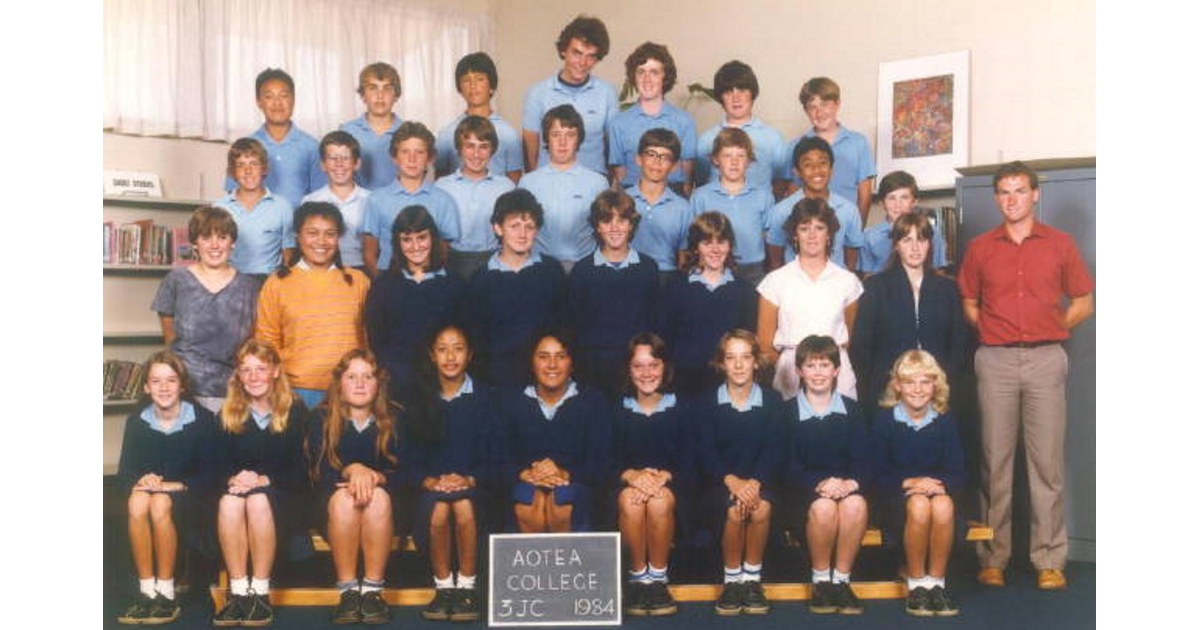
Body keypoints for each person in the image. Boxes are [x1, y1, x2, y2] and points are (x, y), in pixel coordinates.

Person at [958, 161, 1094, 591]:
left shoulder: (1060, 244)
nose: (1012, 199)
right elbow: (969, 302)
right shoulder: (981, 247)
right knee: (994, 463)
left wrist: (1050, 327)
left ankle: (1049, 559)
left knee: (1046, 465)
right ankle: (992, 557)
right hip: (995, 360)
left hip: (1045, 359)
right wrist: (995, 334)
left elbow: (1085, 300)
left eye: (1020, 190)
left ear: (1036, 194)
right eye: (1004, 192)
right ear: (996, 197)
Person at [116, 351, 218, 625]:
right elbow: (124, 473)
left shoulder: (203, 419)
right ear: (147, 387)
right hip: (151, 498)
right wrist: (142, 480)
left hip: (193, 500)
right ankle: (147, 590)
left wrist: (177, 485)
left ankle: (166, 591)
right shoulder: (137, 422)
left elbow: (213, 476)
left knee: (160, 502)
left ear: (182, 385)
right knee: (137, 501)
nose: (164, 388)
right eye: (156, 381)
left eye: (171, 381)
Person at [211, 339, 308, 627]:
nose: (253, 377)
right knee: (229, 501)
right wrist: (234, 477)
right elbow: (213, 467)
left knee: (257, 499)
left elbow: (303, 472)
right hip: (239, 494)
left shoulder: (296, 411)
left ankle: (261, 592)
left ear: (275, 371)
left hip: (283, 497)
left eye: (261, 369)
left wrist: (264, 479)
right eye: (246, 370)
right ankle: (239, 593)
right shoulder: (227, 414)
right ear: (238, 376)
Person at [403, 325, 493, 622]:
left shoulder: (487, 398)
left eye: (458, 348)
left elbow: (496, 455)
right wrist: (429, 481)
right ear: (432, 355)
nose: (450, 356)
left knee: (465, 505)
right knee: (440, 508)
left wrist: (468, 479)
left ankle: (467, 586)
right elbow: (406, 458)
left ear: (470, 354)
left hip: (475, 486)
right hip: (432, 489)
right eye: (442, 349)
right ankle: (443, 587)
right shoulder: (417, 400)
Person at [307, 349, 402, 625]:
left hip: (385, 509)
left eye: (367, 376)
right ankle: (348, 590)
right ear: (339, 384)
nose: (360, 384)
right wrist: (351, 469)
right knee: (345, 499)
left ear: (378, 383)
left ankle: (373, 590)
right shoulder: (320, 419)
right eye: (352, 377)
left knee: (378, 498)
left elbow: (409, 474)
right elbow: (317, 474)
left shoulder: (395, 418)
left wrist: (377, 476)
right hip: (333, 508)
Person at [695, 330, 786, 616]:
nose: (738, 365)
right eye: (730, 358)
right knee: (735, 511)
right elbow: (705, 451)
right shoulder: (706, 402)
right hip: (719, 484)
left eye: (745, 357)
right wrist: (733, 482)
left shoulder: (773, 401)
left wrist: (755, 483)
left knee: (760, 509)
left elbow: (776, 449)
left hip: (763, 481)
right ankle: (732, 581)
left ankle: (752, 580)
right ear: (721, 363)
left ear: (756, 362)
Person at [780, 335, 871, 616]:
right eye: (810, 365)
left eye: (824, 364)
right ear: (798, 371)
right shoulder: (786, 413)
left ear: (836, 370)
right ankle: (821, 581)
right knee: (823, 507)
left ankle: (841, 581)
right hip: (803, 495)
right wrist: (819, 484)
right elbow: (784, 466)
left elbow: (866, 461)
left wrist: (848, 484)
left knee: (857, 504)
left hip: (844, 492)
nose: (818, 372)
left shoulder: (852, 411)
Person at [850, 211, 968, 421]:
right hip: (888, 387)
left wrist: (944, 380)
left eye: (921, 240)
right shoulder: (876, 287)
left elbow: (959, 343)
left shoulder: (948, 289)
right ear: (896, 245)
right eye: (907, 240)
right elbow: (862, 347)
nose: (915, 248)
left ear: (930, 244)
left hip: (936, 387)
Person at [873, 350, 965, 617]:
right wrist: (909, 482)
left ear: (936, 385)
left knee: (944, 505)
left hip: (935, 494)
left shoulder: (945, 420)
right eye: (910, 382)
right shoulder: (885, 420)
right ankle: (916, 584)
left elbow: (959, 473)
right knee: (919, 505)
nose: (918, 389)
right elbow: (875, 475)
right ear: (897, 386)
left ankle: (936, 583)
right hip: (895, 498)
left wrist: (935, 484)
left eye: (925, 381)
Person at [256, 202, 370, 409]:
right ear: (298, 237)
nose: (321, 241)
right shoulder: (277, 283)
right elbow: (267, 343)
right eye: (312, 233)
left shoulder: (358, 281)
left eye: (330, 234)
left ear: (339, 238)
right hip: (296, 392)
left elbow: (368, 339)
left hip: (350, 390)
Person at [500, 330, 613, 533]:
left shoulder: (593, 402)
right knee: (528, 501)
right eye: (543, 357)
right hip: (526, 484)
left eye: (561, 356)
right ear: (532, 362)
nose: (552, 365)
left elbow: (601, 464)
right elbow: (498, 460)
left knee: (561, 502)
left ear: (572, 362)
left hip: (576, 486)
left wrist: (564, 473)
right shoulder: (511, 403)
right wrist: (527, 474)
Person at [152, 206, 259, 414]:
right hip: (183, 392)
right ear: (194, 242)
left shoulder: (250, 287)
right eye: (206, 237)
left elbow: (251, 344)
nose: (215, 245)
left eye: (222, 237)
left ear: (232, 242)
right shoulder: (176, 280)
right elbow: (170, 341)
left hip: (234, 393)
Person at [758, 198, 863, 400]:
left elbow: (850, 338)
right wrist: (792, 367)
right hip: (790, 372)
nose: (812, 235)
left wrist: (825, 365)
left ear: (829, 234)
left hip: (836, 373)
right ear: (795, 235)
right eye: (804, 228)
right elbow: (764, 344)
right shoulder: (775, 281)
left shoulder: (848, 282)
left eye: (820, 227)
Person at [614, 333, 684, 616]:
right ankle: (637, 578)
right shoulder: (616, 408)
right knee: (632, 500)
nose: (646, 373)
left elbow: (692, 457)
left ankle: (657, 579)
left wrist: (664, 476)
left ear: (665, 367)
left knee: (659, 501)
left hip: (669, 485)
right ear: (628, 370)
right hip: (626, 484)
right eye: (638, 366)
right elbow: (603, 457)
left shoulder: (682, 406)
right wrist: (632, 475)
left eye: (653, 365)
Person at [466, 189, 566, 386]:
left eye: (529, 227)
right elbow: (476, 340)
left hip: (544, 377)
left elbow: (564, 328)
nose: (522, 234)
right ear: (498, 228)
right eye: (514, 226)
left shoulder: (552, 271)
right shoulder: (481, 279)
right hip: (496, 378)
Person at [365, 205, 467, 398]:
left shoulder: (455, 284)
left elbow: (463, 338)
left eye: (422, 237)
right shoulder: (383, 286)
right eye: (407, 240)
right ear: (397, 243)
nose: (415, 246)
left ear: (433, 238)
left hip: (443, 383)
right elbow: (377, 340)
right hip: (398, 383)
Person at [567, 190, 659, 397]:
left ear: (631, 225)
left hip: (636, 370)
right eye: (607, 221)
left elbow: (655, 324)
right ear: (598, 226)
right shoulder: (583, 271)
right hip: (593, 370)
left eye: (622, 220)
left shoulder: (647, 268)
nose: (615, 228)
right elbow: (574, 326)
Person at [660, 212, 757, 399]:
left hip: (729, 385)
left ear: (729, 246)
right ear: (696, 247)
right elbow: (666, 340)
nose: (715, 250)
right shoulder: (675, 287)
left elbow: (748, 342)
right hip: (684, 383)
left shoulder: (745, 291)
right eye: (706, 243)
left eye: (721, 242)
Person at [361, 121, 461, 276]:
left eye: (419, 152)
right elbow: (369, 254)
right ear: (394, 157)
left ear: (429, 158)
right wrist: (384, 284)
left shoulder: (443, 200)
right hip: (391, 279)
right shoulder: (376, 200)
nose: (412, 159)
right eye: (405, 152)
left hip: (431, 280)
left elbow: (444, 252)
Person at [518, 104, 609, 272]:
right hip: (540, 267)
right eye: (555, 135)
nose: (562, 142)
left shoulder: (598, 183)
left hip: (585, 267)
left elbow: (605, 232)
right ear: (546, 138)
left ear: (579, 139)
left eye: (570, 135)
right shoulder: (528, 183)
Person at [521, 15, 616, 174]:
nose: (583, 62)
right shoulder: (537, 94)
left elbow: (613, 148)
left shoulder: (607, 92)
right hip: (549, 183)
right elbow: (530, 153)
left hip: (595, 185)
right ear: (563, 50)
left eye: (591, 56)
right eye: (577, 53)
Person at [226, 68, 324, 208]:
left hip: (298, 228)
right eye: (269, 96)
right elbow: (233, 196)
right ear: (259, 102)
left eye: (283, 95)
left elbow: (320, 196)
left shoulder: (312, 146)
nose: (277, 102)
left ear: (294, 100)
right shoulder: (244, 147)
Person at [689, 127, 775, 285]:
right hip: (714, 267)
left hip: (753, 270)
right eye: (727, 155)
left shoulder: (764, 196)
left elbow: (770, 238)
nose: (734, 162)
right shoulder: (701, 196)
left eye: (740, 156)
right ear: (715, 159)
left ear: (749, 160)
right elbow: (694, 239)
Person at [435, 115, 517, 280]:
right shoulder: (441, 187)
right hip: (453, 261)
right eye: (470, 146)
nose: (476, 154)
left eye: (483, 147)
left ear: (492, 150)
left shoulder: (506, 187)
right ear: (459, 148)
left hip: (493, 260)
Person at [607, 42, 697, 193]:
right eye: (641, 72)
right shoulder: (619, 123)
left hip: (673, 196)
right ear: (633, 77)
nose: (647, 79)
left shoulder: (684, 121)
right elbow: (620, 174)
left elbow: (687, 178)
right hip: (632, 198)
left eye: (654, 72)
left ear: (665, 77)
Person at [787, 77, 876, 225]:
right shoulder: (795, 146)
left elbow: (865, 194)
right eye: (812, 107)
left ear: (837, 104)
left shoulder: (858, 142)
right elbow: (793, 193)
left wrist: (856, 232)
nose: (819, 112)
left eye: (825, 104)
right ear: (805, 110)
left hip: (847, 225)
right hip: (811, 230)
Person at [766, 136, 863, 271]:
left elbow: (851, 261)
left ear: (831, 168)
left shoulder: (849, 210)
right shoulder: (781, 211)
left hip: (836, 287)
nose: (816, 170)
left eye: (823, 163)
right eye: (807, 165)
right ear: (797, 171)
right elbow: (776, 261)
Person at [695, 61, 788, 197]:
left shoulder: (773, 138)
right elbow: (701, 183)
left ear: (752, 94)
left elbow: (780, 184)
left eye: (742, 90)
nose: (736, 98)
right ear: (720, 97)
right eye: (728, 92)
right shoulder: (707, 139)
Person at [435, 52, 523, 183]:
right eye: (466, 80)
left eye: (479, 79)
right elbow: (441, 184)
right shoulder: (446, 135)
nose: (473, 85)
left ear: (492, 86)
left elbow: (514, 183)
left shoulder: (508, 134)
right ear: (459, 88)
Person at [214, 138, 295, 279]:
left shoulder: (282, 207)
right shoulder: (220, 208)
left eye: (254, 164)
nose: (248, 171)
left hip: (269, 282)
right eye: (240, 165)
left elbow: (288, 257)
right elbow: (212, 252)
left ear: (264, 168)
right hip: (231, 281)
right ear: (232, 172)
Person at [624, 128, 691, 280]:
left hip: (666, 277)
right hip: (627, 274)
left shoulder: (683, 208)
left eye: (665, 157)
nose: (657, 162)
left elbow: (683, 257)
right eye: (651, 154)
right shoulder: (622, 201)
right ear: (639, 159)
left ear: (674, 166)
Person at [302, 131, 371, 271]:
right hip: (322, 270)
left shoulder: (372, 200)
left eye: (345, 158)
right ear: (323, 164)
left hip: (362, 268)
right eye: (332, 158)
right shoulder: (310, 201)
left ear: (356, 163)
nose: (339, 164)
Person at [857, 171, 949, 275]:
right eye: (891, 198)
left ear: (914, 202)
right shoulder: (869, 237)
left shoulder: (932, 232)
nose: (898, 205)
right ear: (882, 203)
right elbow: (867, 276)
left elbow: (938, 271)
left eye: (904, 198)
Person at [340, 62, 403, 190]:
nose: (380, 95)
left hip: (399, 207)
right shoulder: (347, 131)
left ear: (396, 95)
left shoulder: (408, 133)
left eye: (387, 88)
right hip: (358, 206)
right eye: (373, 88)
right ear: (363, 95)